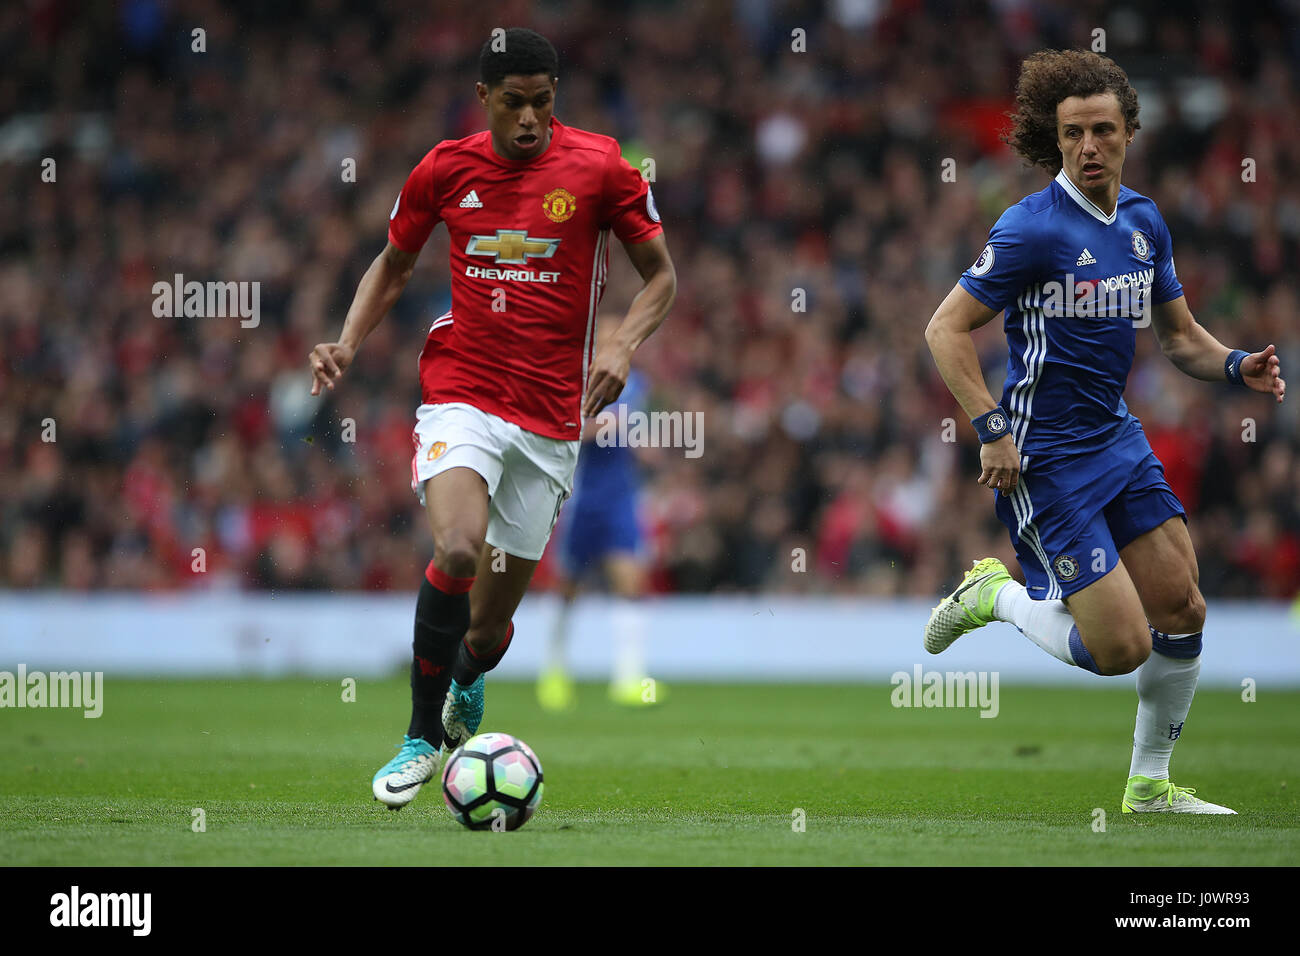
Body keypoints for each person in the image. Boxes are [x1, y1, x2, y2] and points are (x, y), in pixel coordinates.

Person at [308, 28, 676, 809]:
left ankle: (467, 679)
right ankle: (417, 740)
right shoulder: (444, 168)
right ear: (484, 99)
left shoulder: (604, 167)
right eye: (514, 103)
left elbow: (661, 278)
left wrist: (623, 342)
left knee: (485, 630)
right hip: (463, 391)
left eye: (544, 102)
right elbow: (394, 263)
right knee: (457, 545)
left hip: (550, 419)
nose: (530, 120)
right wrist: (345, 342)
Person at [923, 50, 1285, 814]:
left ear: (1129, 133)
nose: (1090, 146)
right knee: (1121, 649)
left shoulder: (1144, 221)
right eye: (1074, 133)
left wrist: (1234, 366)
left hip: (1118, 442)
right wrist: (991, 429)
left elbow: (1178, 335)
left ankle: (1149, 788)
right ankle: (996, 597)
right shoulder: (1030, 228)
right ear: (1055, 140)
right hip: (1045, 457)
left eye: (1104, 131)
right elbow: (945, 329)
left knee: (1183, 609)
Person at [538, 316, 658, 711]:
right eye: (605, 337)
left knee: (629, 581)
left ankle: (629, 678)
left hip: (620, 497)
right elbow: (572, 431)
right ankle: (553, 672)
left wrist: (632, 437)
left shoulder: (635, 383)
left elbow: (632, 434)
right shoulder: (573, 382)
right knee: (568, 587)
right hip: (582, 498)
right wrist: (606, 425)